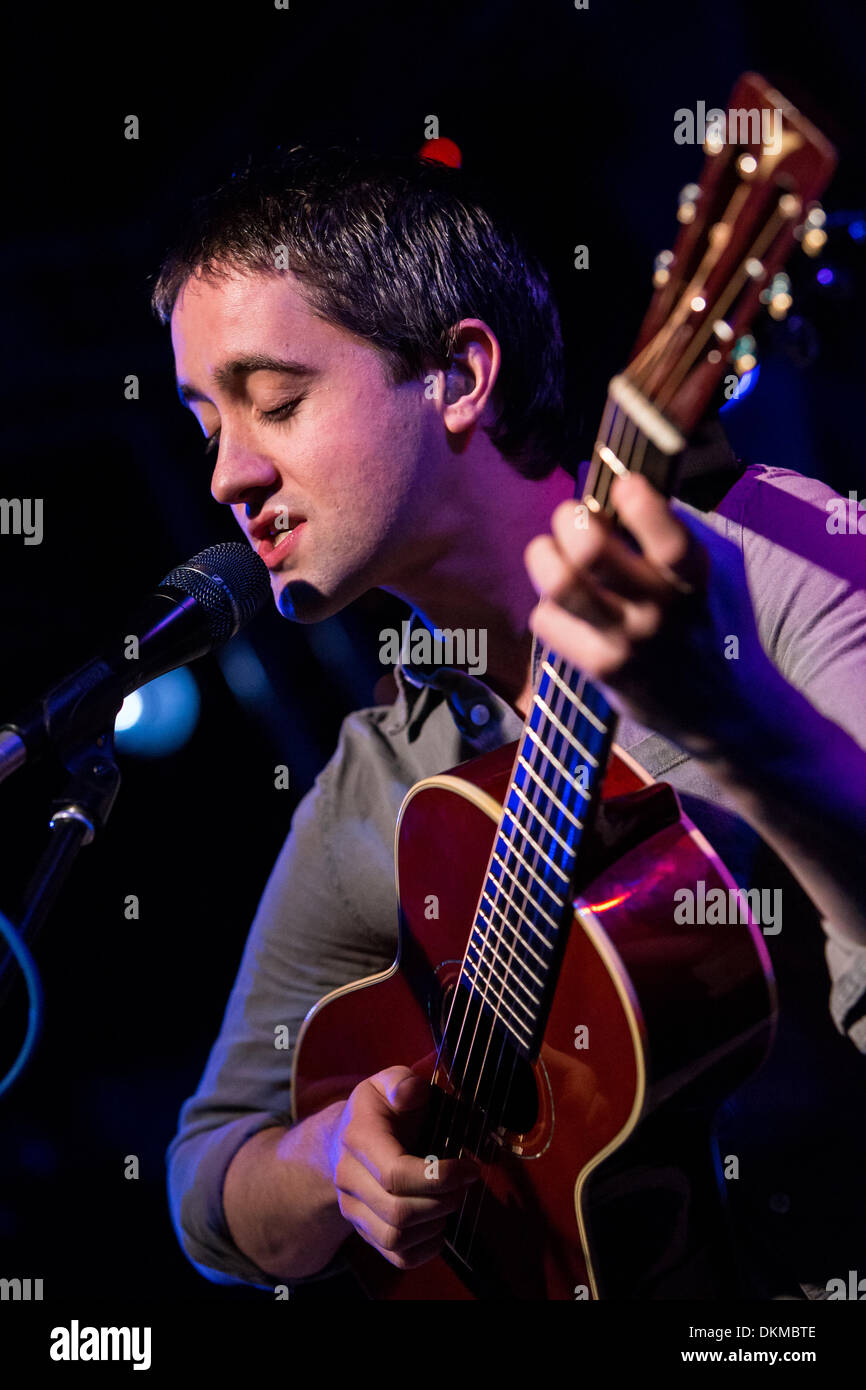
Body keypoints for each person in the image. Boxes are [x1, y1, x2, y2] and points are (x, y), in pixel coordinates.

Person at [153, 145, 866, 1300]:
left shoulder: (779, 569)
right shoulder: (378, 772)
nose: (230, 473)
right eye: (204, 428)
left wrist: (735, 727)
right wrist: (329, 1156)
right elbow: (207, 1179)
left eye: (274, 400)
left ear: (457, 374)